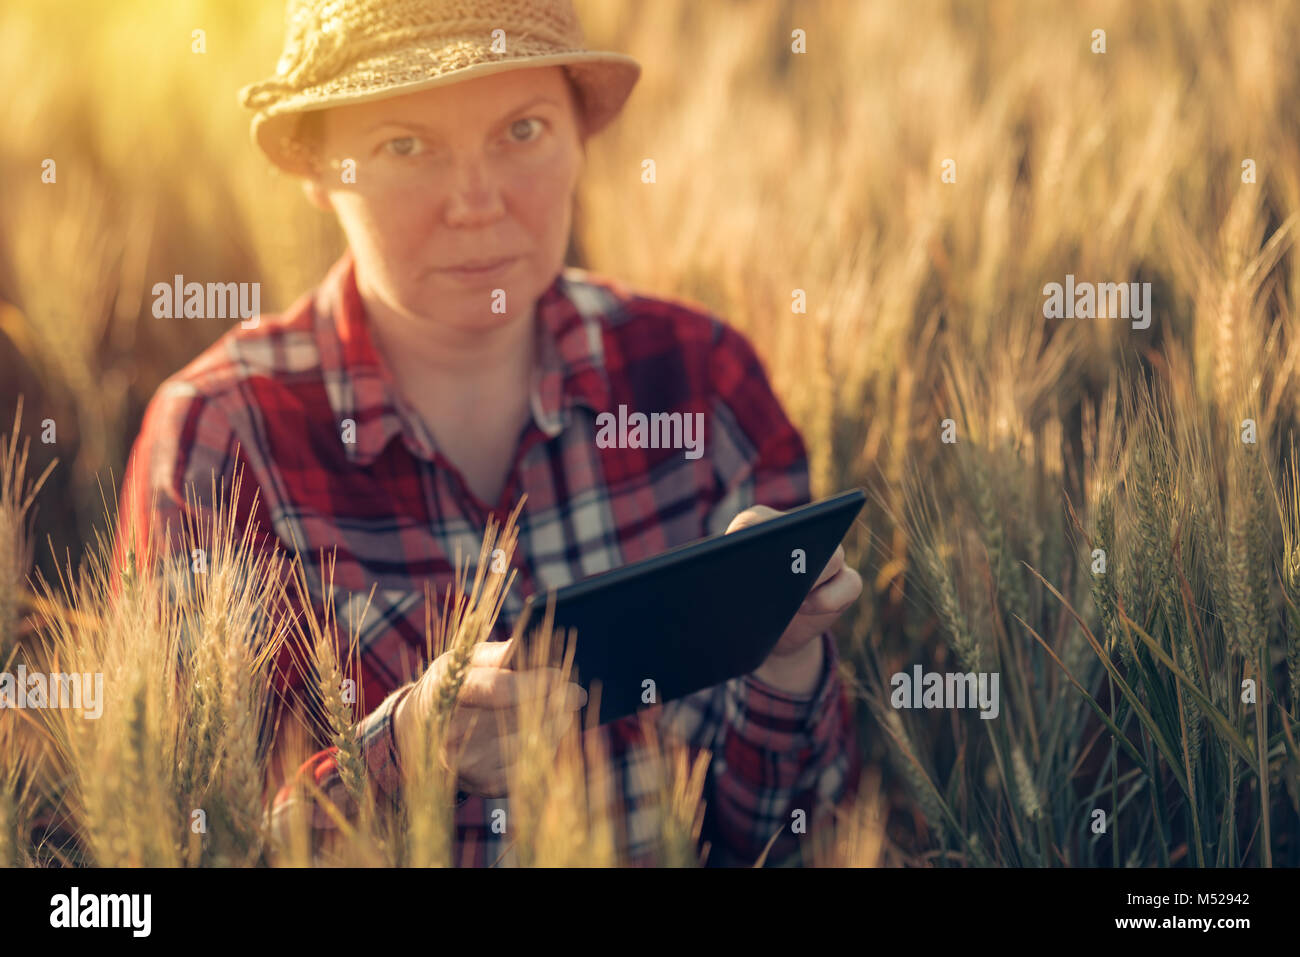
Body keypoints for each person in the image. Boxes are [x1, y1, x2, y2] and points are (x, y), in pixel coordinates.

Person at [115, 0, 863, 867]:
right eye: (406, 143)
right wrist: (408, 757)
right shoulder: (219, 440)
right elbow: (187, 848)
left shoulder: (703, 380)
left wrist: (782, 663)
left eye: (522, 129)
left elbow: (793, 838)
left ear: (580, 136)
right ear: (318, 165)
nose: (476, 202)